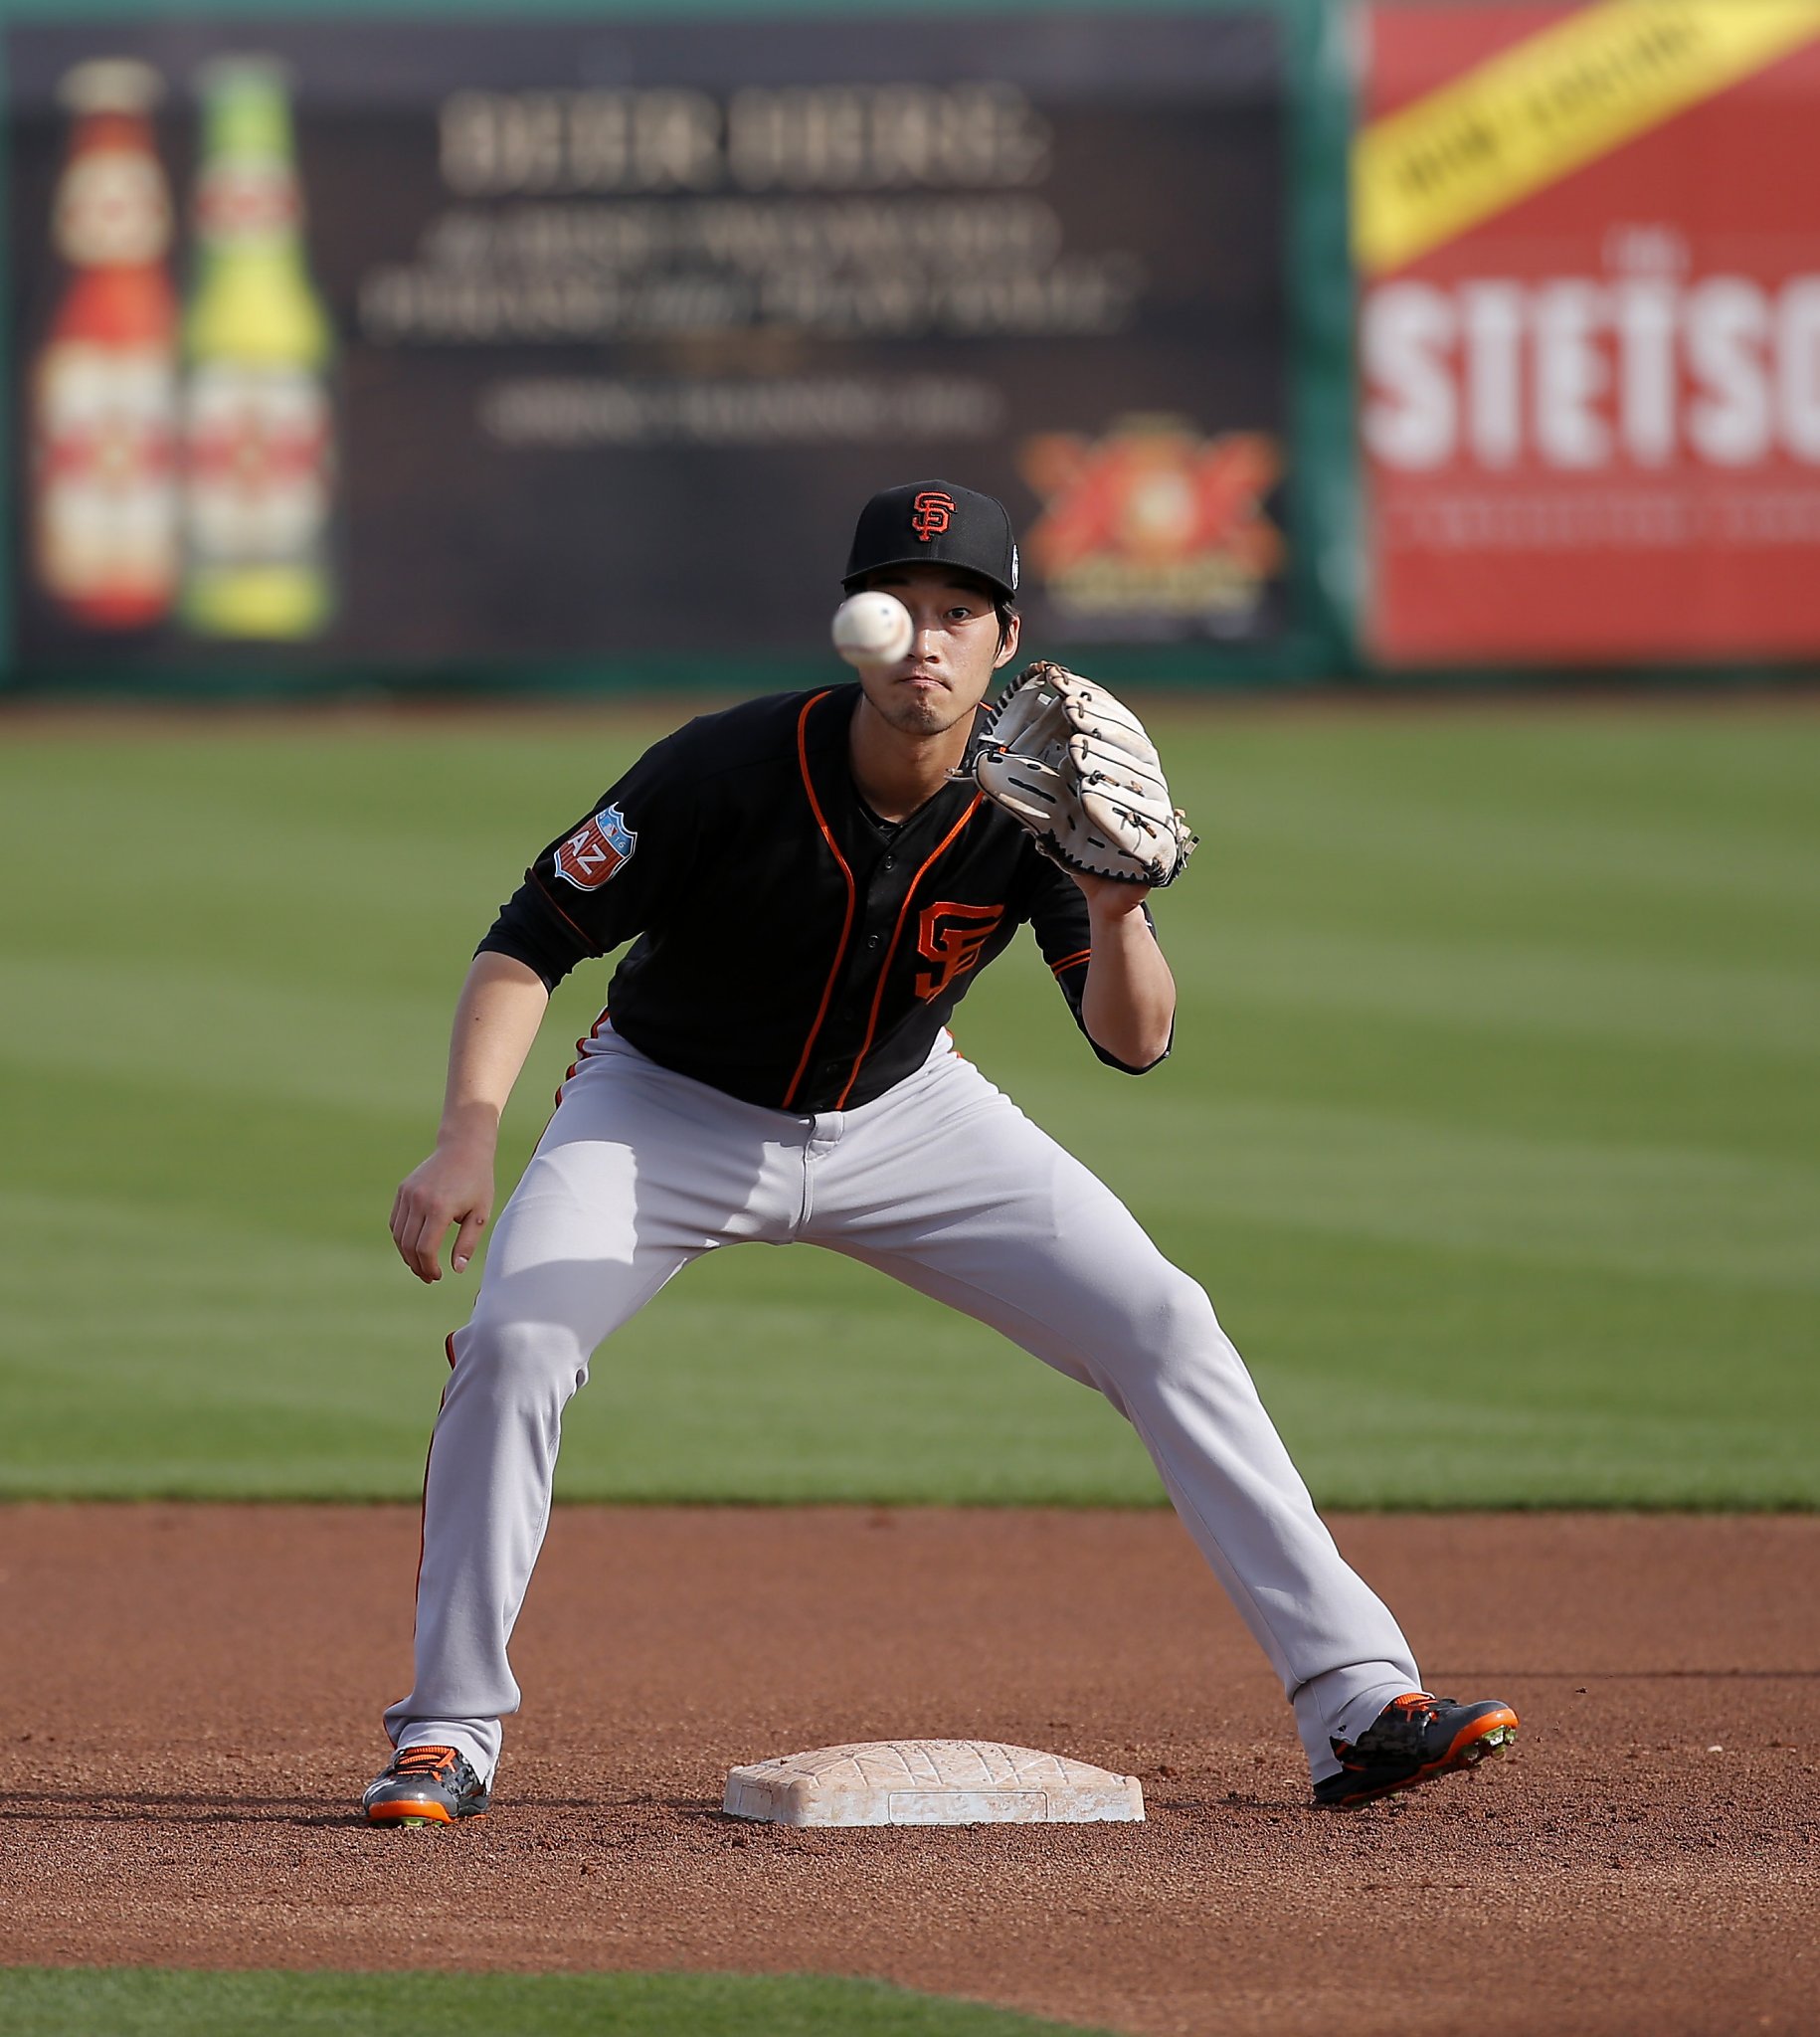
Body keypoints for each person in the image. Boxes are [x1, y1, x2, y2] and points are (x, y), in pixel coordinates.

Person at [362, 480, 1518, 1825]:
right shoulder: (723, 768)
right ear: (852, 633)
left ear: (1003, 637)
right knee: (513, 1347)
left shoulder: (1033, 804)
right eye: (900, 608)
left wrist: (1112, 907)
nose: (926, 637)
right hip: (662, 1110)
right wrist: (464, 1140)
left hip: (908, 1118)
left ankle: (1358, 1703)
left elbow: (1131, 1043)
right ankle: (447, 1730)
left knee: (1163, 1318)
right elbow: (530, 941)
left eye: (957, 611)